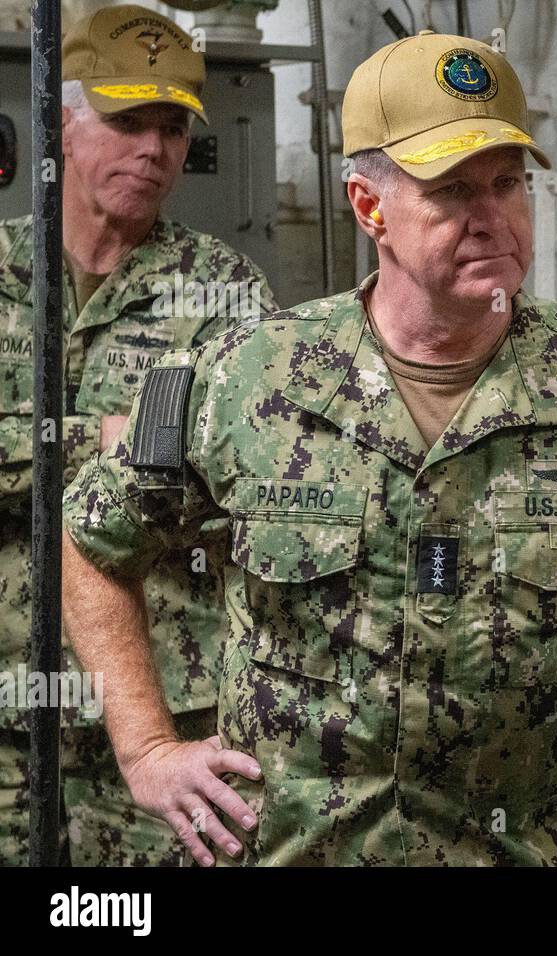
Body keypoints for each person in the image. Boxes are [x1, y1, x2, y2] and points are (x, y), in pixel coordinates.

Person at [60, 32, 557, 866]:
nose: (494, 217)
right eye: (452, 191)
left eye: (508, 184)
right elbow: (91, 542)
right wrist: (149, 751)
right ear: (369, 205)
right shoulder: (245, 377)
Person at [0, 4, 276, 866]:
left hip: (163, 717)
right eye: (126, 121)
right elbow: (156, 464)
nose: (152, 151)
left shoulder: (226, 289)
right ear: (62, 124)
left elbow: (236, 480)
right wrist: (108, 442)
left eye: (171, 129)